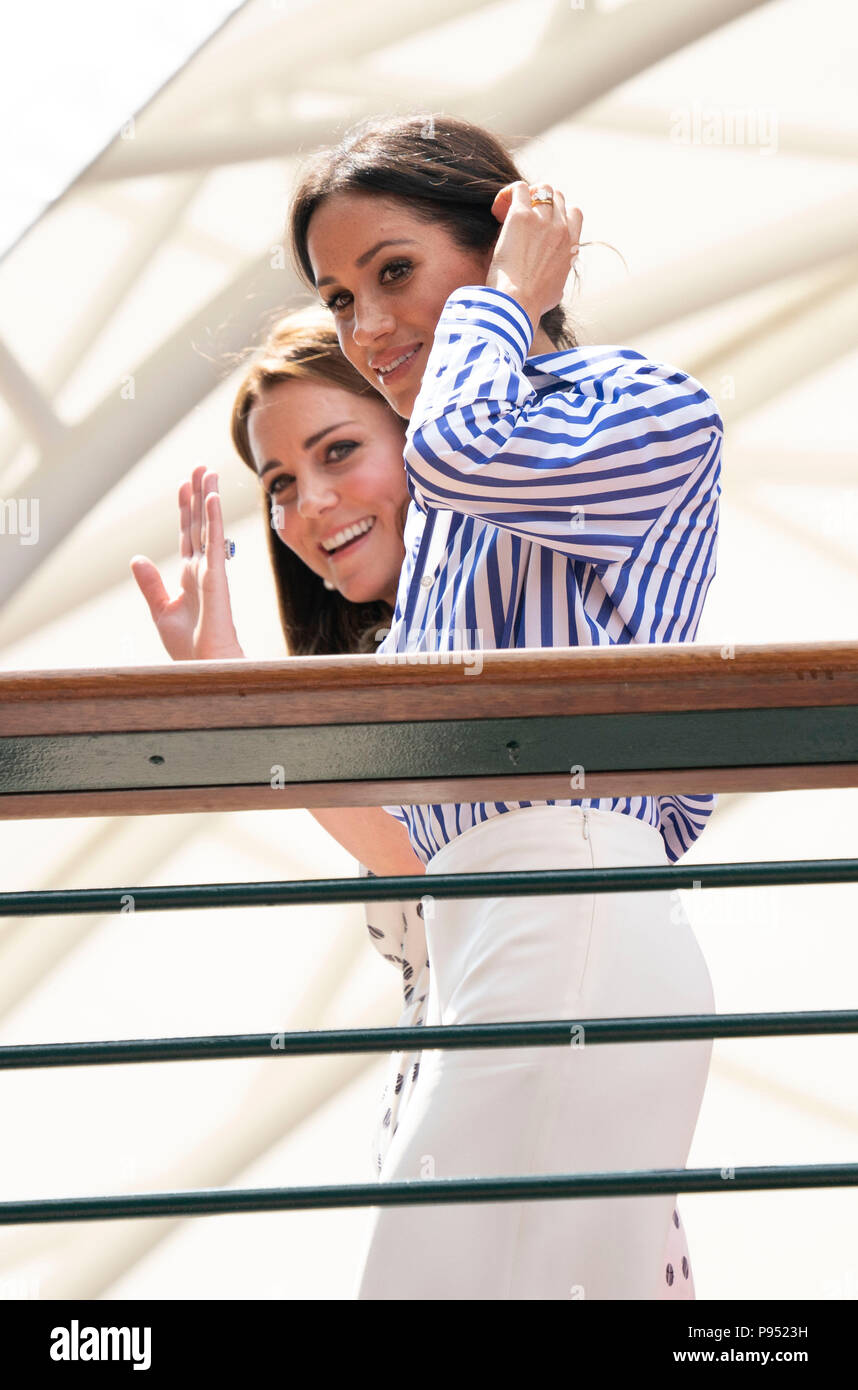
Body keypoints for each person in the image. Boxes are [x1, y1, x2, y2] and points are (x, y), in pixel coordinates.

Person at [288, 111, 723, 1300]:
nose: (368, 329)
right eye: (338, 300)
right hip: (494, 942)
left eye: (394, 274)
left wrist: (511, 299)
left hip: (569, 908)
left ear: (502, 241)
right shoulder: (446, 505)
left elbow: (469, 450)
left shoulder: (643, 407)